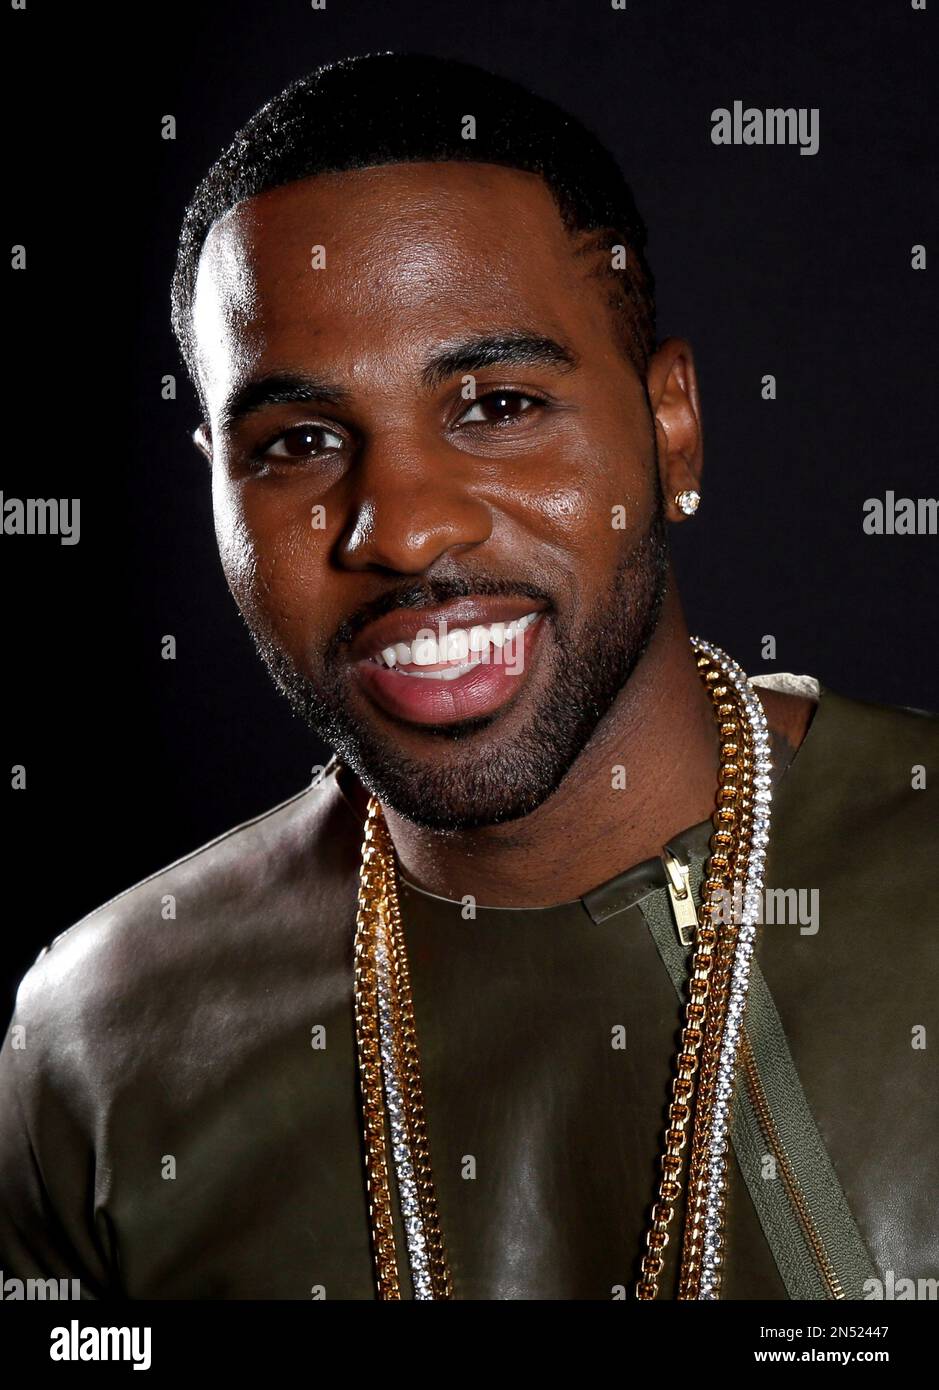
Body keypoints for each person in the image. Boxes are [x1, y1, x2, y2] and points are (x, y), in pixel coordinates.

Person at [0, 52, 935, 1302]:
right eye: (301, 443)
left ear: (672, 428)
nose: (402, 526)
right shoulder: (96, 1045)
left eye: (495, 404)